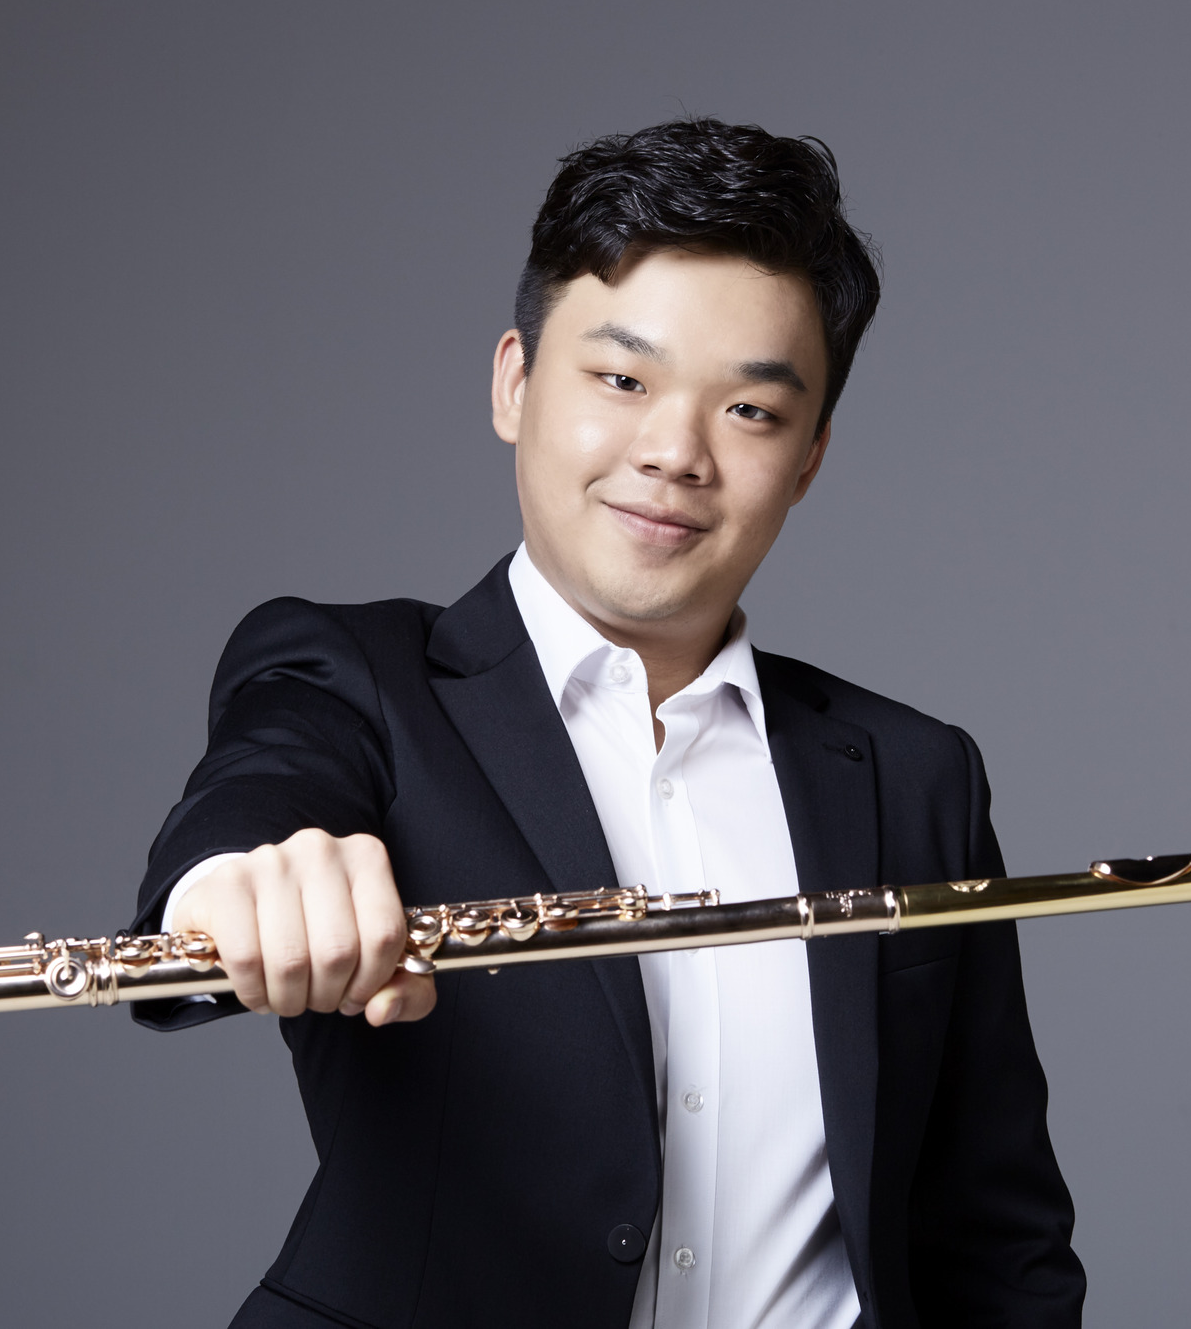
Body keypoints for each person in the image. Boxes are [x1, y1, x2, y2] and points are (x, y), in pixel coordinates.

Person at [132, 119, 1086, 1329]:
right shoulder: (353, 675)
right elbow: (260, 791)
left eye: (750, 410)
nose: (673, 454)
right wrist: (238, 884)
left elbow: (996, 1241)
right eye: (622, 381)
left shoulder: (915, 776)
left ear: (808, 459)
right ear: (513, 384)